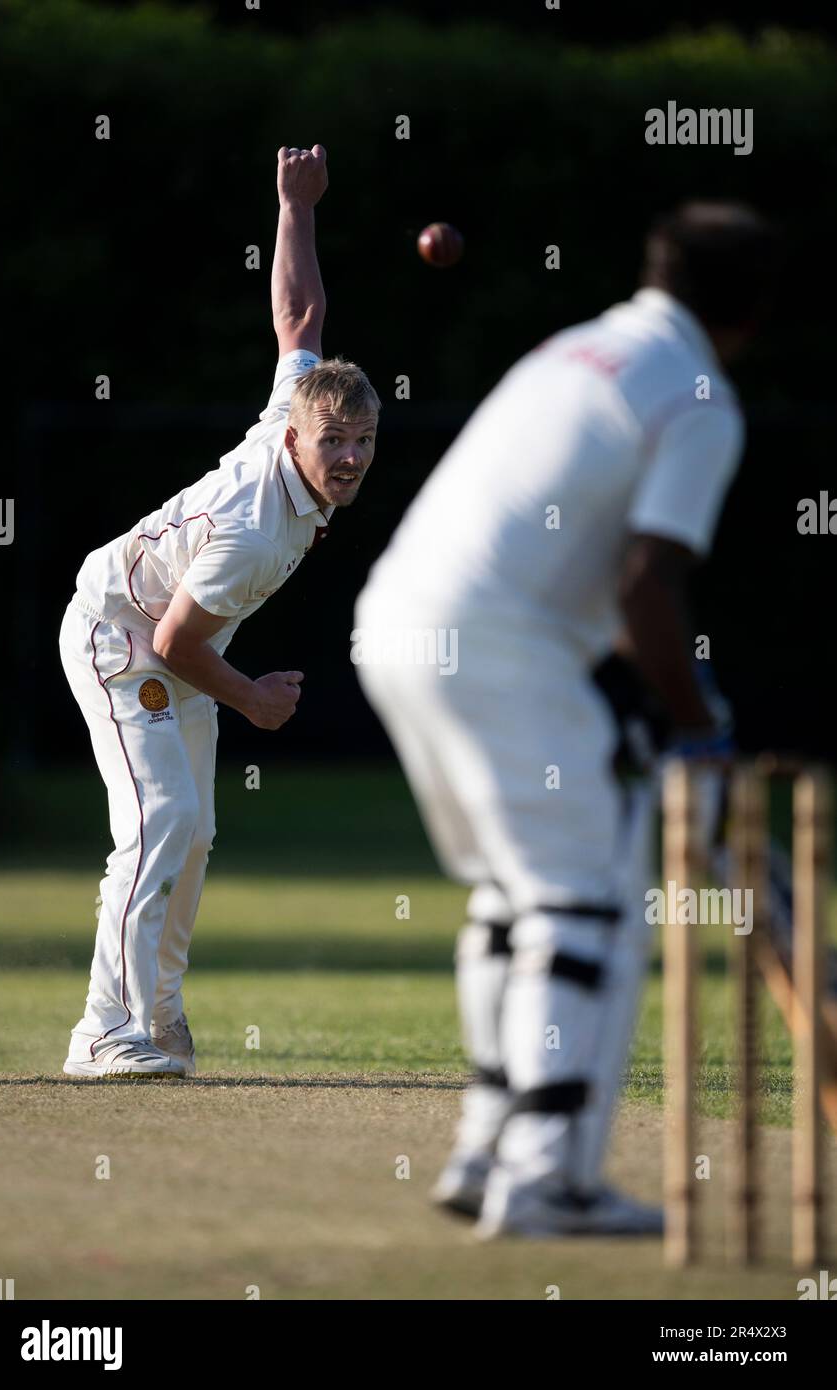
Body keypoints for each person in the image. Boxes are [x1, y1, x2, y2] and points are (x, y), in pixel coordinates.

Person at [354, 202, 779, 1237]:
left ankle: (485, 1148)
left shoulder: (569, 349)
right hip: (497, 643)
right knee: (582, 899)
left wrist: (669, 707)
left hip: (396, 617)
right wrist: (699, 726)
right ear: (750, 309)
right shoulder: (699, 398)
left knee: (514, 896)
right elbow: (646, 586)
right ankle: (547, 1181)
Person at [59, 145, 379, 1077]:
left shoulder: (293, 404)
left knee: (194, 830)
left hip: (169, 639)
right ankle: (100, 1035)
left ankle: (157, 1021)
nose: (350, 457)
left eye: (363, 440)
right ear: (296, 435)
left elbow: (299, 316)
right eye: (334, 441)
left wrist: (296, 206)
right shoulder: (256, 529)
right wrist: (251, 698)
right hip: (120, 635)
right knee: (159, 821)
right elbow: (173, 640)